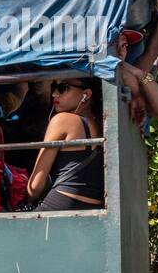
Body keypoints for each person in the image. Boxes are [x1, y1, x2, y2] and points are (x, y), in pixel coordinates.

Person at [26, 77, 104, 211]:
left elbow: (35, 187)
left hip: (60, 203)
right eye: (54, 87)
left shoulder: (63, 119)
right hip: (95, 207)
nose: (54, 94)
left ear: (86, 94)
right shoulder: (103, 124)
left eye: (63, 88)